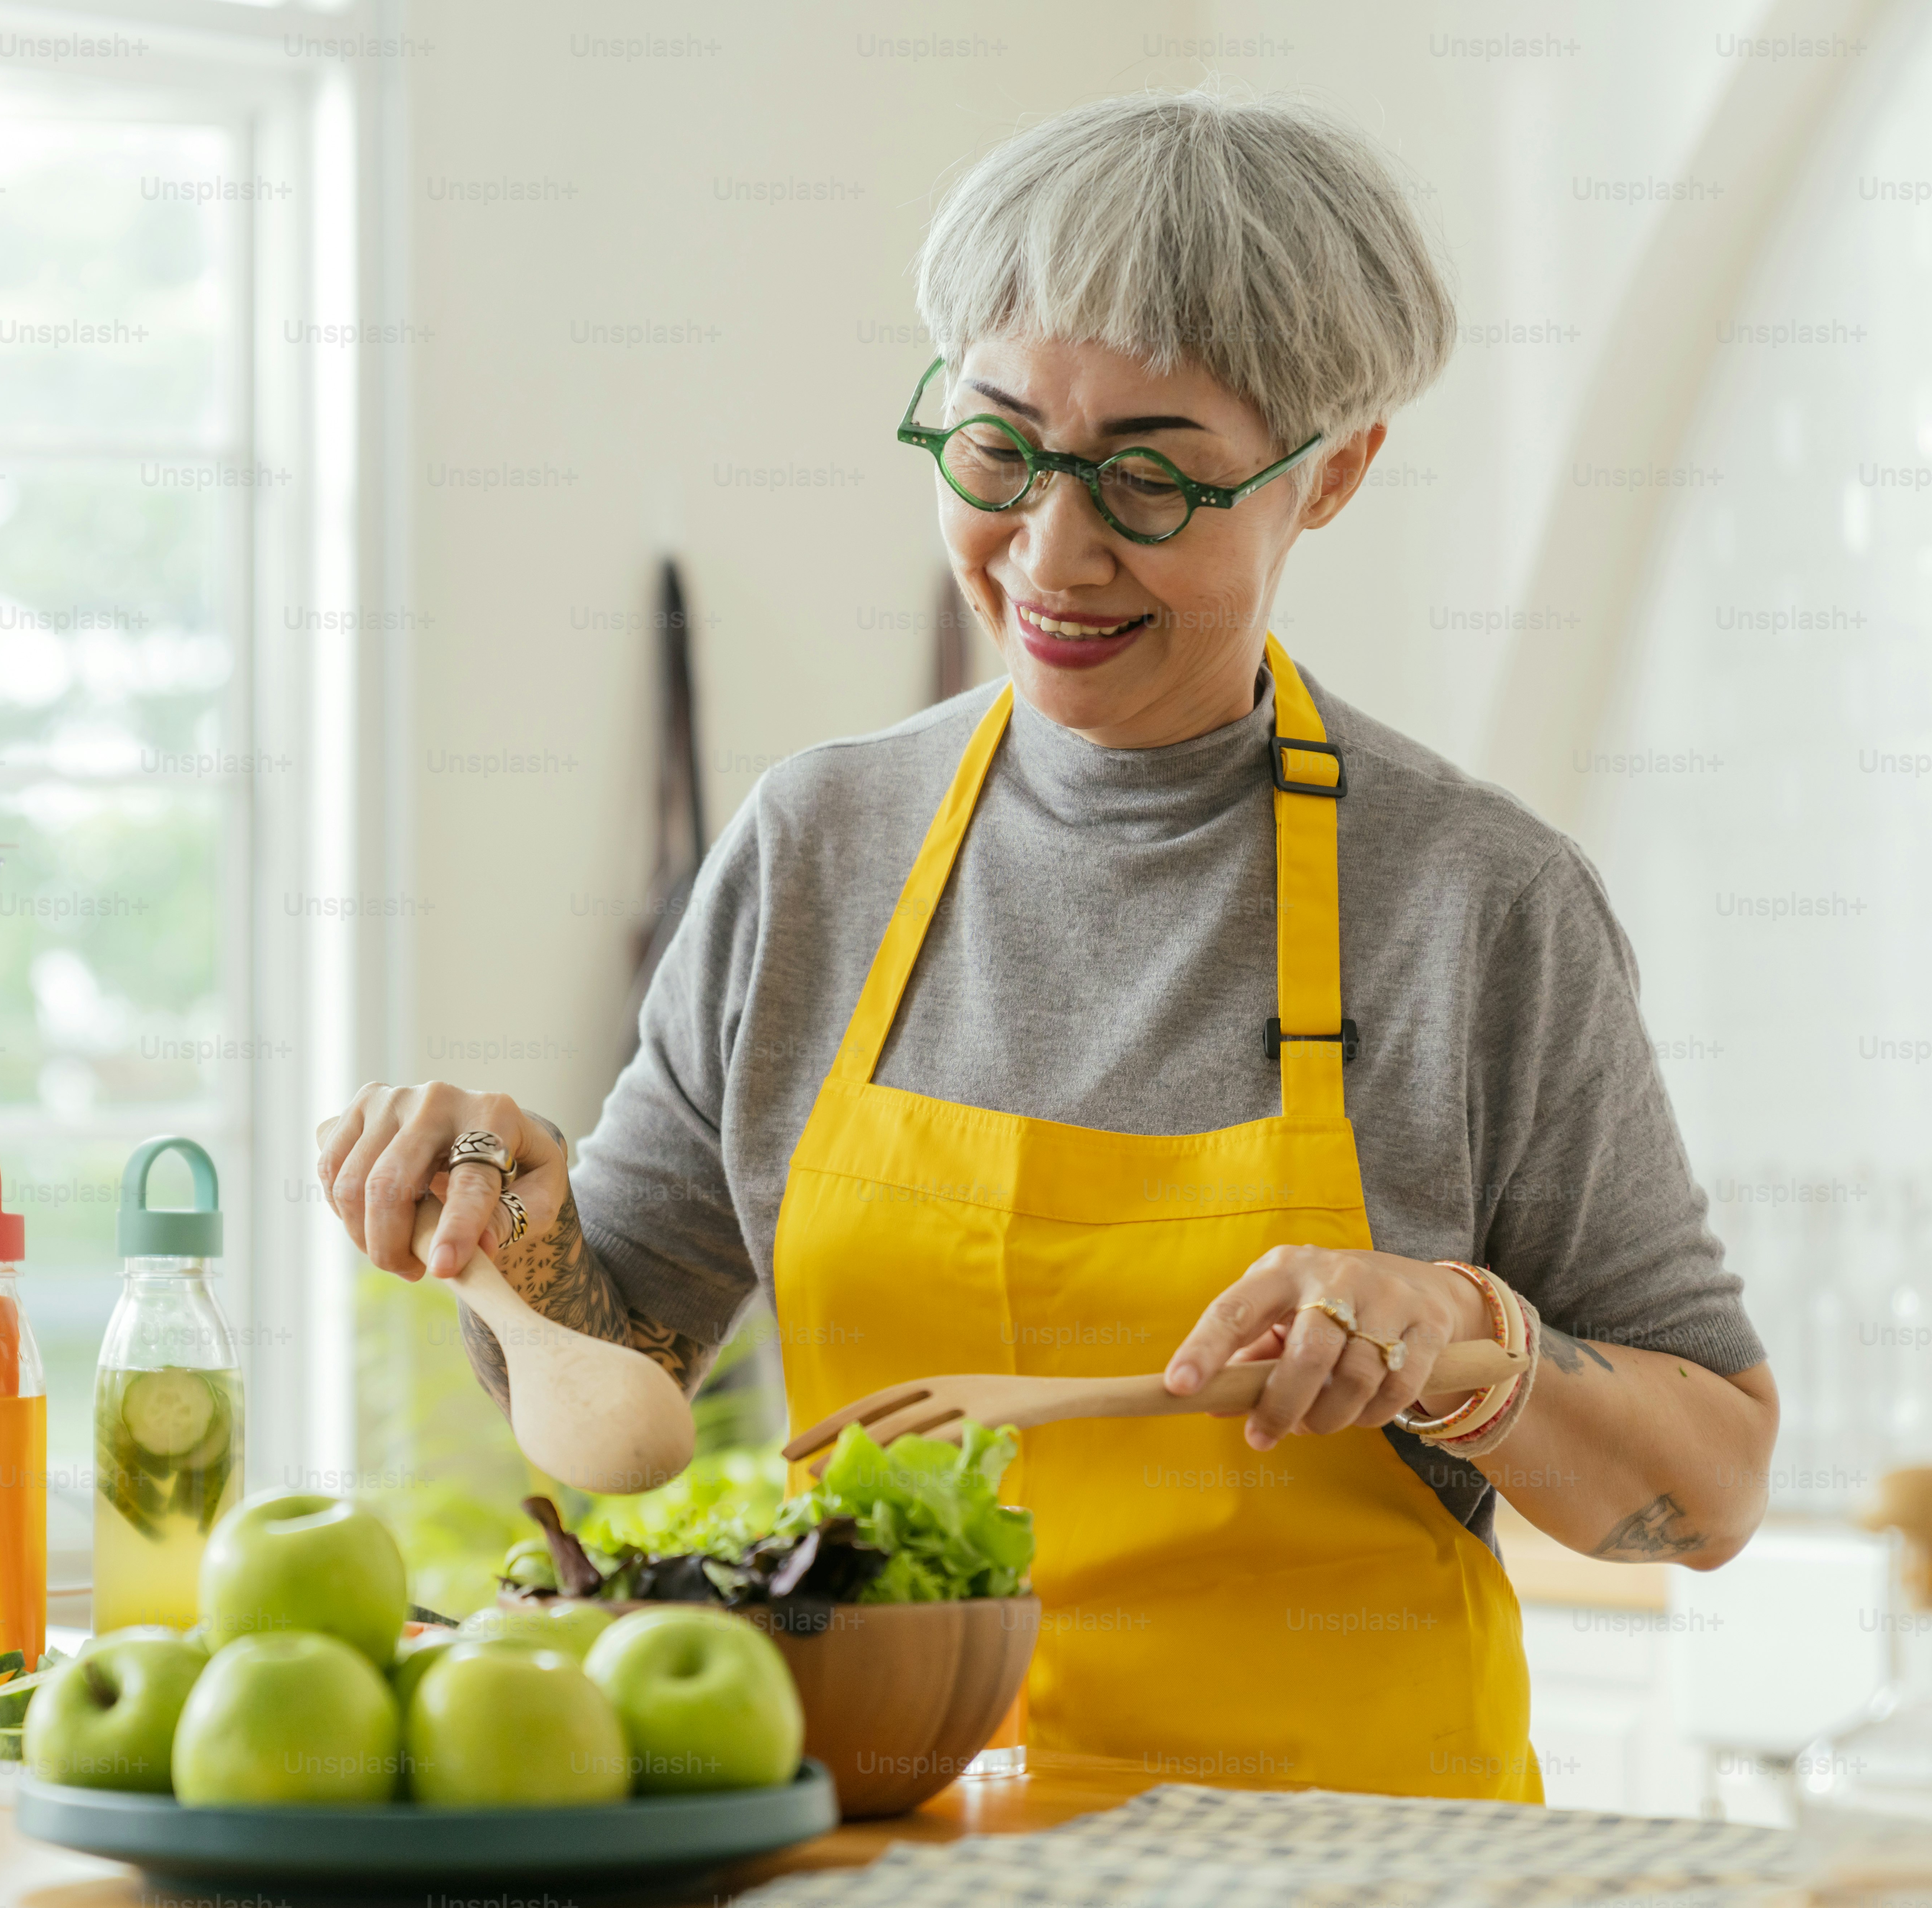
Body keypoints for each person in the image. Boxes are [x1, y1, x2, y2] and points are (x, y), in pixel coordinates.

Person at [316, 90, 1774, 1802]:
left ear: (1333, 475)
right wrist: (508, 1214)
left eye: (1150, 481)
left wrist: (1462, 1335)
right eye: (1001, 452)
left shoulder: (1473, 906)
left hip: (1359, 1864)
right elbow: (619, 1375)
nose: (1050, 555)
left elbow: (1710, 1489)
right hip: (899, 1842)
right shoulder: (816, 849)